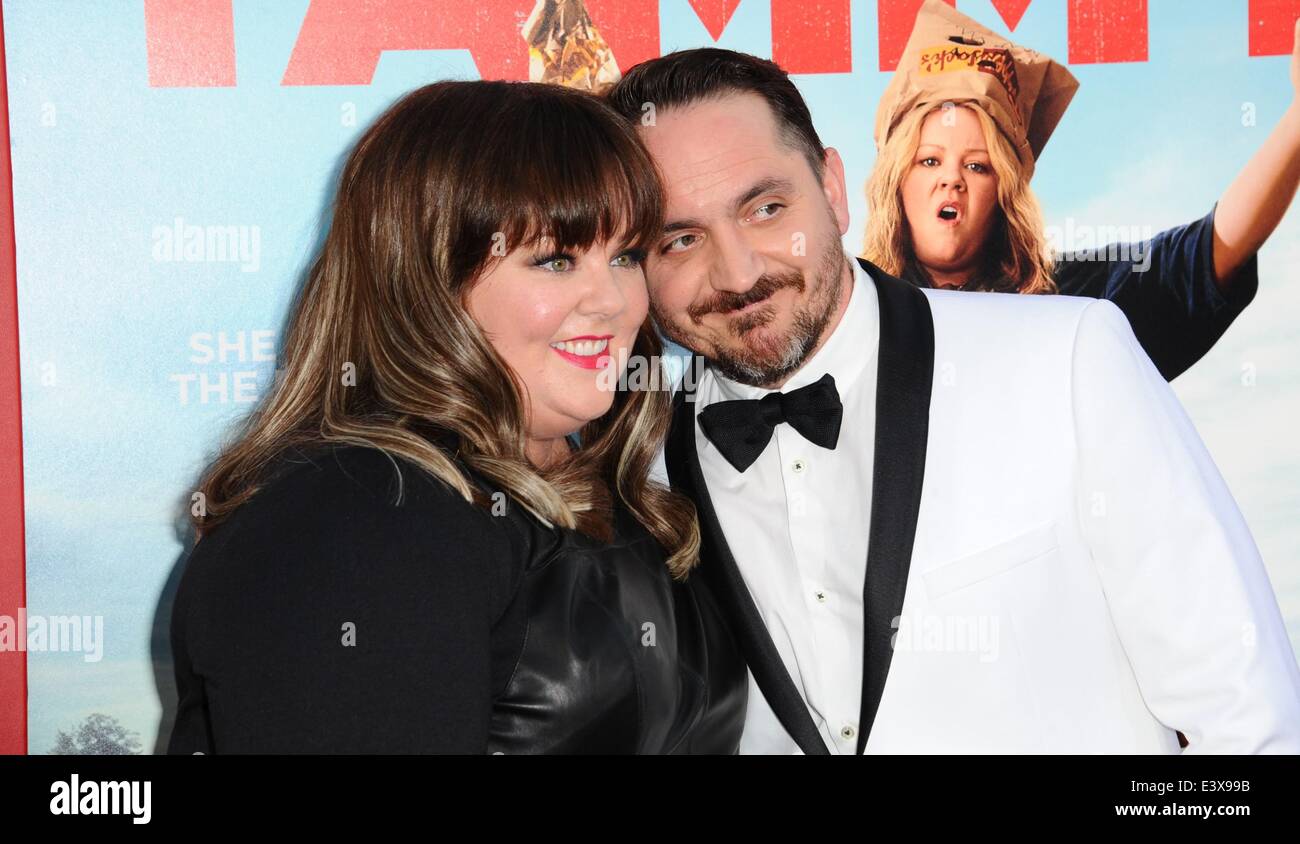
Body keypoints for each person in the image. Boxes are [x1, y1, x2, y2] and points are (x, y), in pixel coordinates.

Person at [608, 49, 1300, 753]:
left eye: (765, 208)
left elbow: (1248, 726)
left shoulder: (1069, 358)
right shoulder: (636, 476)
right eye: (681, 238)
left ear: (835, 187)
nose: (739, 271)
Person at [166, 80, 746, 754]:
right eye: (555, 260)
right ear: (426, 283)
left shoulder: (608, 499)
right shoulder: (361, 517)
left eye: (623, 256)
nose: (614, 301)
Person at [865, 0, 1300, 380]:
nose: (952, 179)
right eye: (929, 160)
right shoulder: (855, 315)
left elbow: (1205, 257)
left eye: (978, 165)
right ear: (897, 183)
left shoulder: (1066, 305)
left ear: (1005, 196)